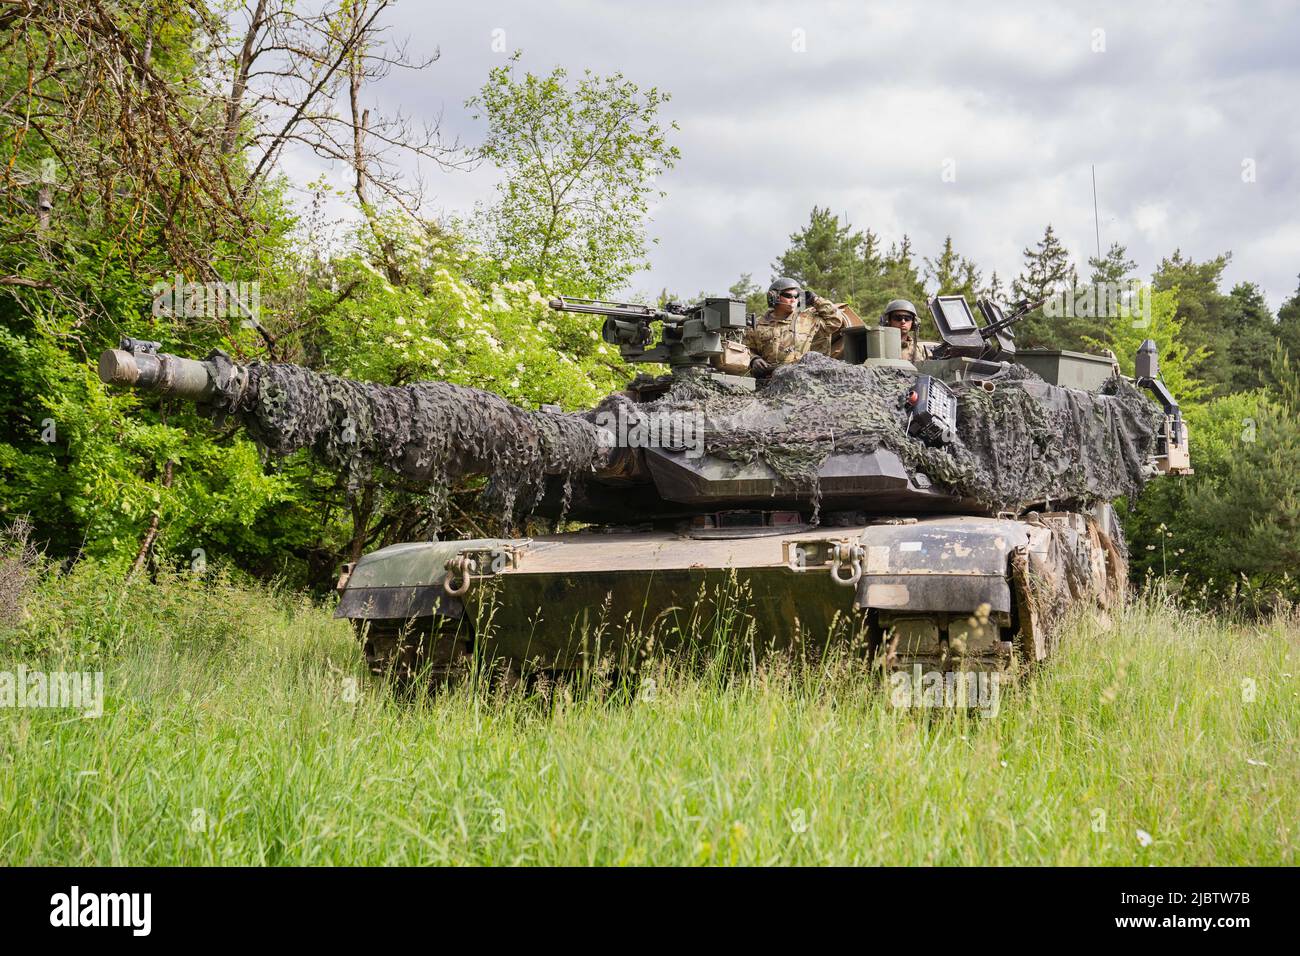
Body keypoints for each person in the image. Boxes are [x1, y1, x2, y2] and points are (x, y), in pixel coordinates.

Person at [744, 277, 848, 377]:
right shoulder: (757, 324)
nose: (793, 299)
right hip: (767, 381)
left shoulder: (808, 320)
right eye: (788, 296)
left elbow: (835, 321)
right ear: (774, 296)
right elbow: (746, 348)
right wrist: (754, 359)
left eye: (797, 296)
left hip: (803, 379)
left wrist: (816, 300)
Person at [880, 298, 929, 363]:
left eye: (907, 318)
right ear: (888, 321)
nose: (903, 321)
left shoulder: (920, 350)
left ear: (914, 322)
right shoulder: (880, 347)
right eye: (898, 318)